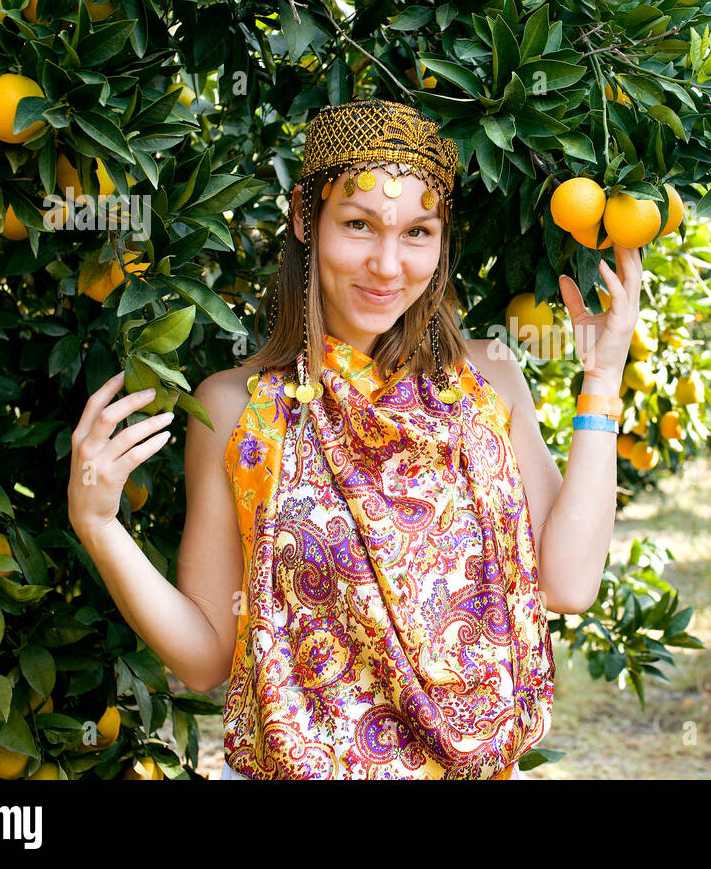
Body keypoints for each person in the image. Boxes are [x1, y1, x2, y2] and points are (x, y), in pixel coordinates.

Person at [67, 97, 643, 779]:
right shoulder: (237, 409)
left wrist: (602, 379)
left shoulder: (487, 379)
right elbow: (204, 657)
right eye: (358, 225)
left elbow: (569, 583)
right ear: (306, 219)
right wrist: (99, 524)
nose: (388, 264)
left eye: (418, 233)